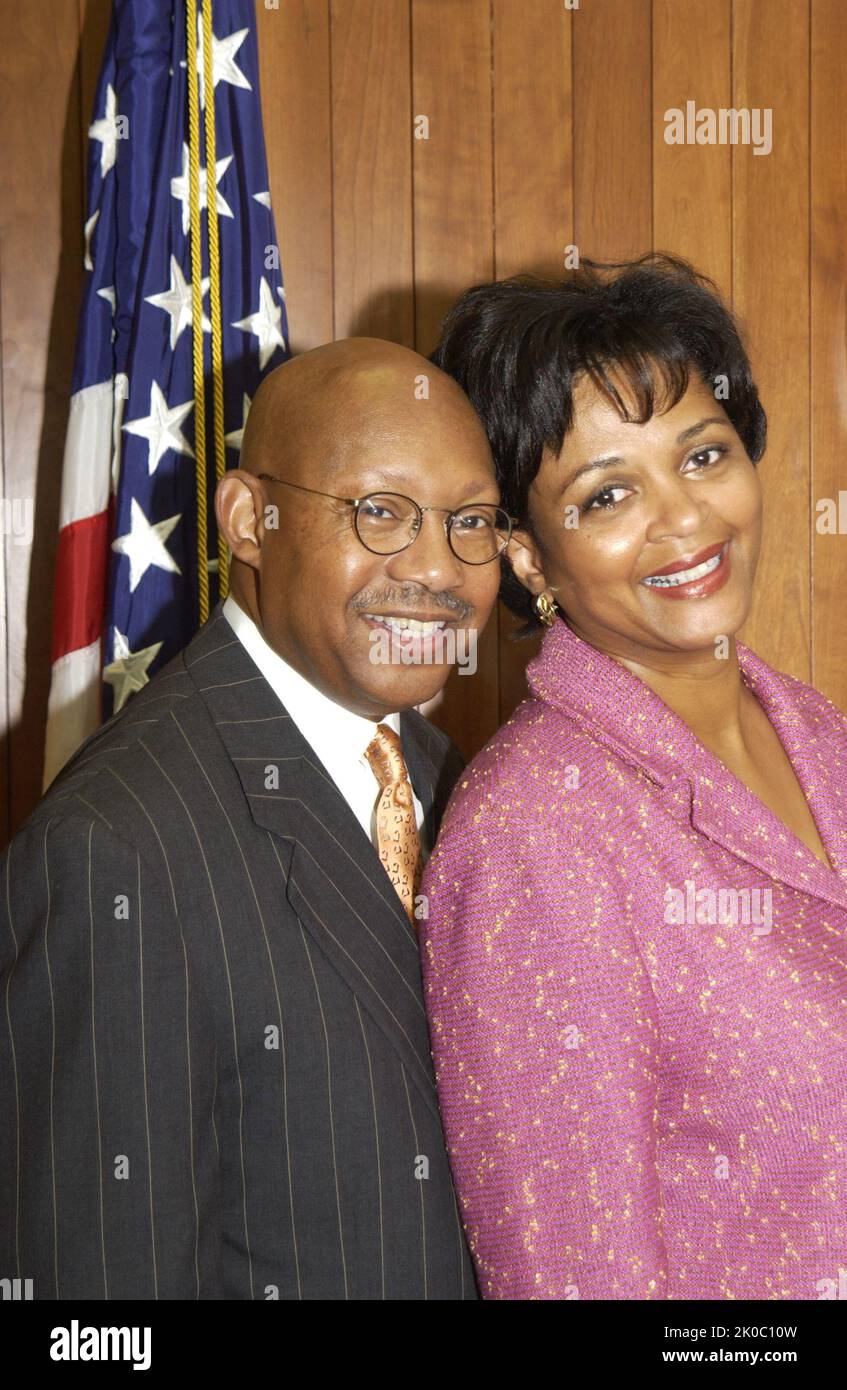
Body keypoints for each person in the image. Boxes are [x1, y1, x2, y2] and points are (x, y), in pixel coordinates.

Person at [0, 336, 507, 1300]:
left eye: (471, 521)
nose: (439, 569)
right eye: (381, 512)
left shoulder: (457, 787)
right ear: (248, 519)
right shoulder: (116, 848)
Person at [419, 255, 847, 1300]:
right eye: (608, 492)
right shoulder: (533, 835)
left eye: (702, 453)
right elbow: (573, 1277)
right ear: (527, 559)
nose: (684, 518)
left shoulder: (820, 735)